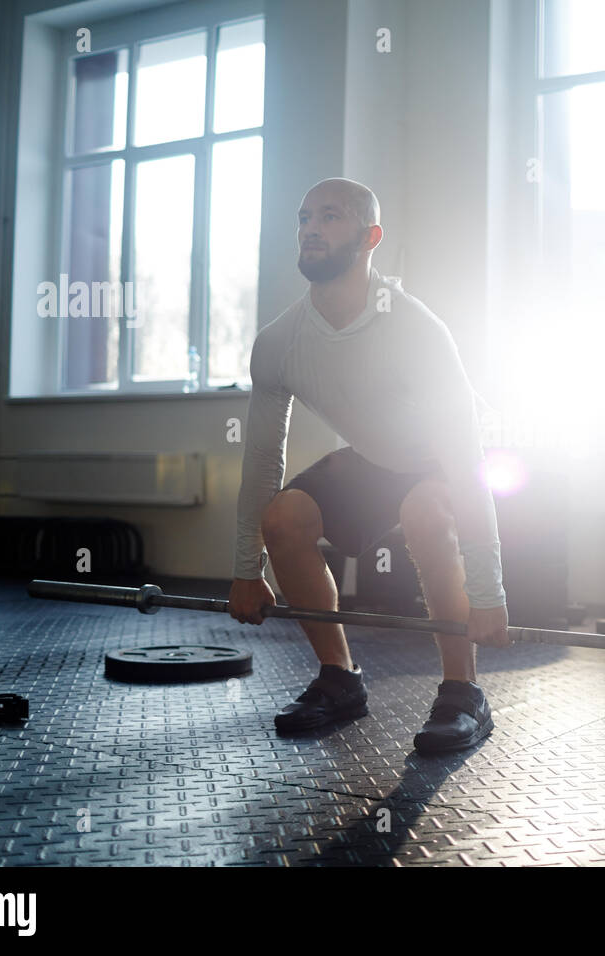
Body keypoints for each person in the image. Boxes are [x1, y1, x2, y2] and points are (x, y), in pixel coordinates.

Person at [227, 177, 508, 753]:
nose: (310, 227)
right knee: (284, 518)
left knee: (426, 511)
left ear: (370, 236)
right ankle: (340, 681)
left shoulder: (415, 328)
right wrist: (245, 568)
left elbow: (462, 458)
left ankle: (464, 692)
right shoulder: (280, 342)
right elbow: (261, 459)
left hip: (461, 454)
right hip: (380, 456)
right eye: (305, 217)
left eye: (329, 217)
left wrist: (487, 592)